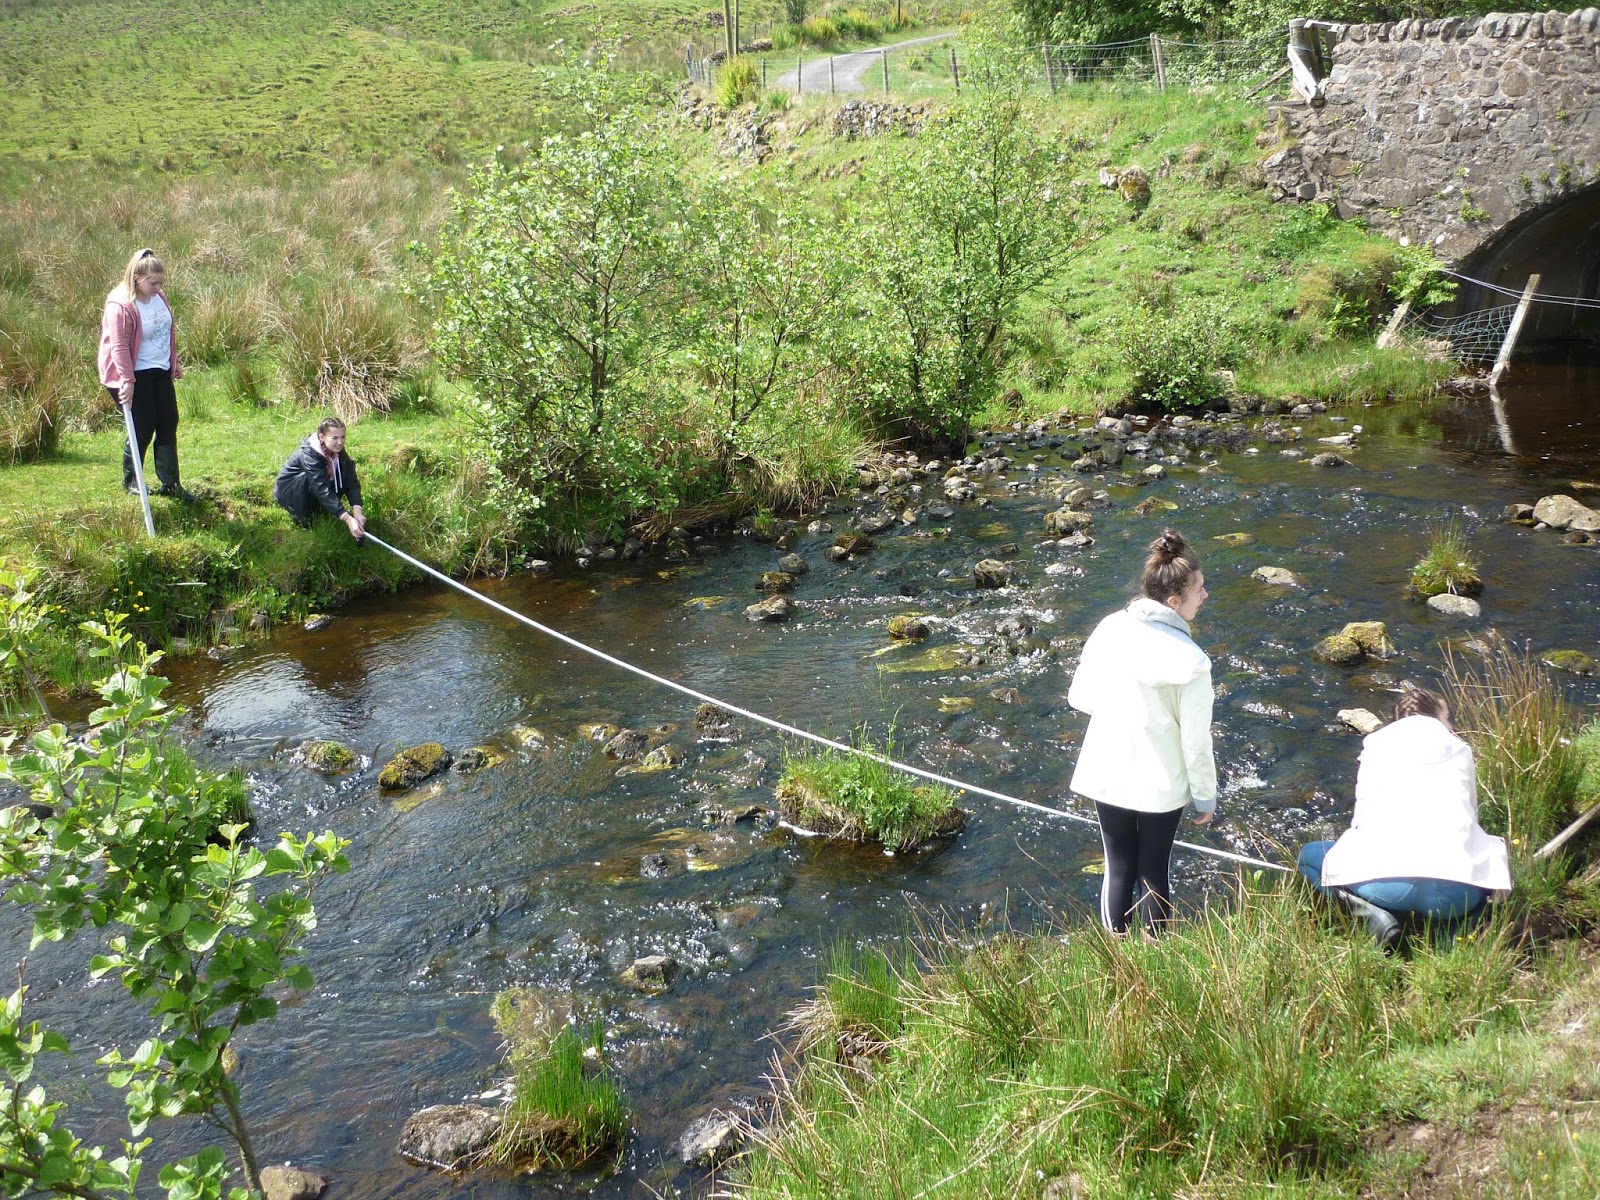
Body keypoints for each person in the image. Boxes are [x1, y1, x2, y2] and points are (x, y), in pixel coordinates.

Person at [1067, 528, 1217, 935]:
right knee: (1154, 870)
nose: (1205, 595)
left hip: (1108, 769)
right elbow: (1196, 742)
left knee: (1118, 867)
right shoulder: (1193, 661)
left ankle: (1117, 951)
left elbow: (1080, 697)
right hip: (1161, 783)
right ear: (1173, 602)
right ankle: (1156, 953)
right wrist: (1205, 796)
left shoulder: (1109, 627)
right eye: (1199, 589)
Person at [1298, 688, 1510, 947]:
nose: (1451, 724)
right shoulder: (1460, 748)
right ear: (1437, 716)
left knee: (1309, 856)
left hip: (1385, 887)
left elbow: (1362, 818)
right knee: (1488, 864)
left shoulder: (1374, 746)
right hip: (1454, 893)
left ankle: (1373, 916)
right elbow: (1471, 819)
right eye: (1448, 718)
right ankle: (1452, 933)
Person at [98, 247, 195, 501]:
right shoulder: (121, 305)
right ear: (137, 279)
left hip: (159, 369)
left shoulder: (159, 297)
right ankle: (133, 482)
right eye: (154, 283)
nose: (158, 287)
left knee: (168, 421)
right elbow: (118, 346)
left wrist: (174, 361)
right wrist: (127, 380)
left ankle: (171, 484)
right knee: (142, 427)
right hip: (134, 373)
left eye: (161, 282)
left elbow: (166, 329)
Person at [274, 417, 366, 540]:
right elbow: (321, 488)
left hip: (313, 488)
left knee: (343, 469)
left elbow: (351, 481)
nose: (340, 442)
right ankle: (305, 518)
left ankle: (322, 511)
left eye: (342, 437)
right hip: (290, 492)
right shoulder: (309, 454)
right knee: (314, 478)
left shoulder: (337, 450)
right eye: (335, 438)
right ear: (322, 437)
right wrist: (347, 518)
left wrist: (357, 510)